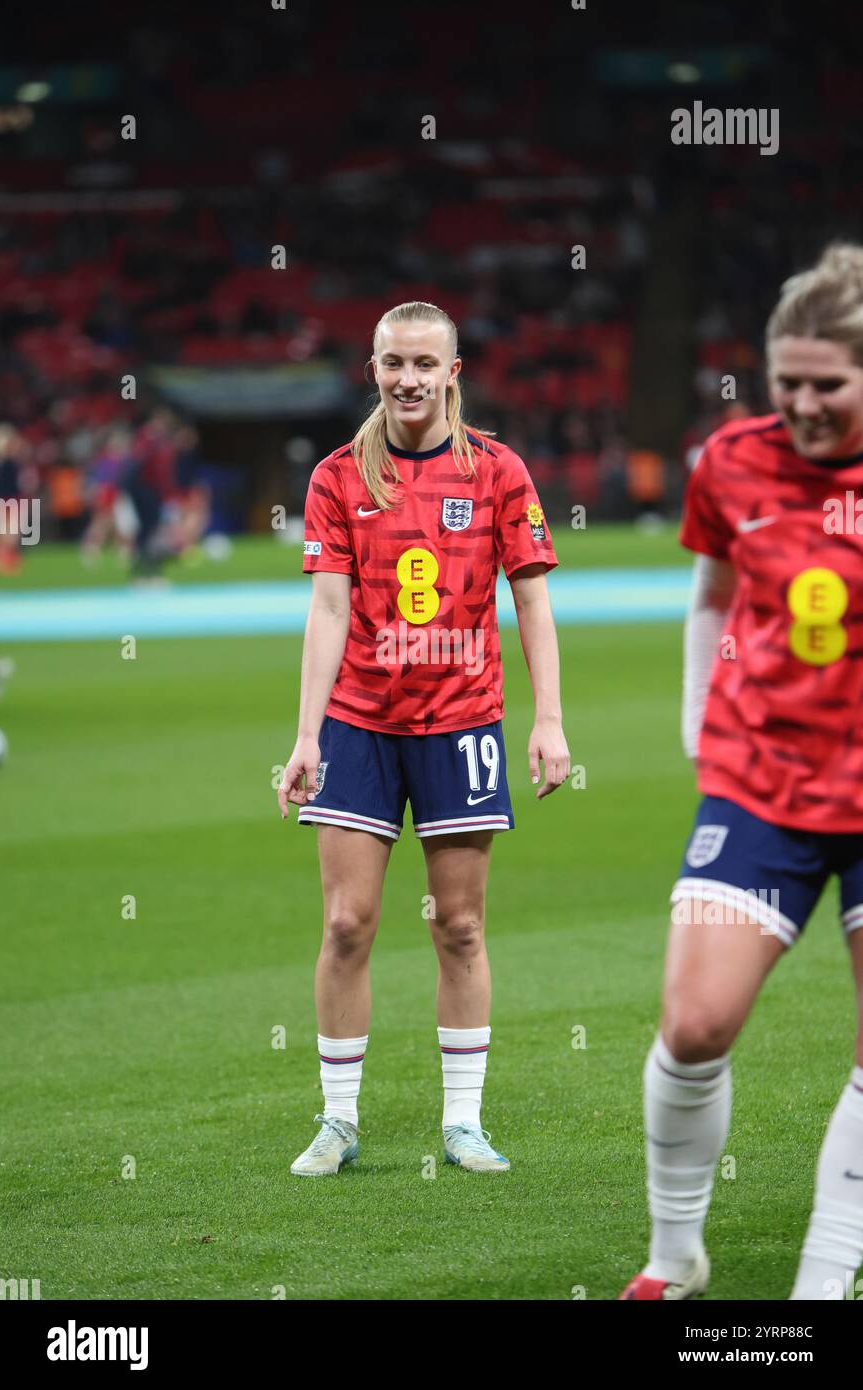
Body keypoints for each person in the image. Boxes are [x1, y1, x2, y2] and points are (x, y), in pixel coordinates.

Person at [621, 244, 863, 1300]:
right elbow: (712, 597)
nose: (803, 405)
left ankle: (819, 1288)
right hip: (761, 777)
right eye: (787, 383)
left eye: (829, 385)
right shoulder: (728, 462)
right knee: (693, 1023)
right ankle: (674, 1260)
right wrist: (696, 728)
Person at [279, 301, 570, 1176]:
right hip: (359, 724)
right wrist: (305, 735)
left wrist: (548, 718)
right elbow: (328, 607)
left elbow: (532, 598)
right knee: (346, 923)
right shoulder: (337, 476)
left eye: (423, 363)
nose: (407, 378)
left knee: (461, 926)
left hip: (463, 722)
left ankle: (464, 1124)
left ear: (453, 372)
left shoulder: (498, 470)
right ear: (372, 369)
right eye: (391, 362)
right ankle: (337, 1121)